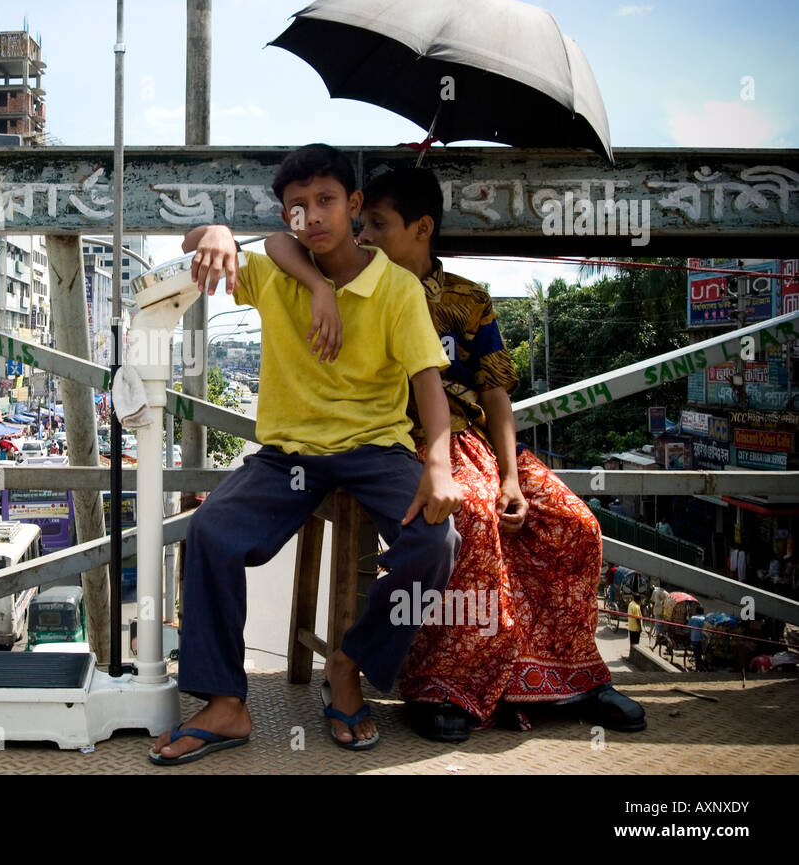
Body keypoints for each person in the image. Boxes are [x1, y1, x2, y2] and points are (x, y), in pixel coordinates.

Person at [261, 164, 644, 738]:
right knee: (467, 519)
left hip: (476, 441)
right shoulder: (353, 287)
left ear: (422, 228)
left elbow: (495, 393)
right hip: (393, 443)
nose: (360, 236)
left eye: (377, 225)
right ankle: (444, 685)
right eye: (360, 224)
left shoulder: (467, 300)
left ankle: (571, 678)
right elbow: (275, 247)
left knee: (574, 525)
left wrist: (513, 477)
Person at [148, 143, 461, 765]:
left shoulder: (395, 288)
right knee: (211, 530)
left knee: (437, 540)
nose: (312, 216)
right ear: (285, 217)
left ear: (355, 205)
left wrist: (440, 465)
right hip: (288, 453)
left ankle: (350, 665)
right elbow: (209, 248)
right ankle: (225, 702)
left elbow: (428, 380)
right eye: (297, 207)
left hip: (375, 447)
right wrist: (212, 231)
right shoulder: (273, 273)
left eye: (326, 201)